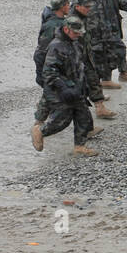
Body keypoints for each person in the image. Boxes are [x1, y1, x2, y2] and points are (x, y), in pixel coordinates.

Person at [30, 16, 98, 157]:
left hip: (76, 89)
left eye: (80, 32)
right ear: (66, 29)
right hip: (59, 91)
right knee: (62, 120)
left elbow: (80, 65)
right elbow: (49, 72)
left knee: (83, 117)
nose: (78, 35)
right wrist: (64, 88)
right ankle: (40, 131)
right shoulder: (56, 46)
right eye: (75, 32)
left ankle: (79, 146)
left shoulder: (74, 43)